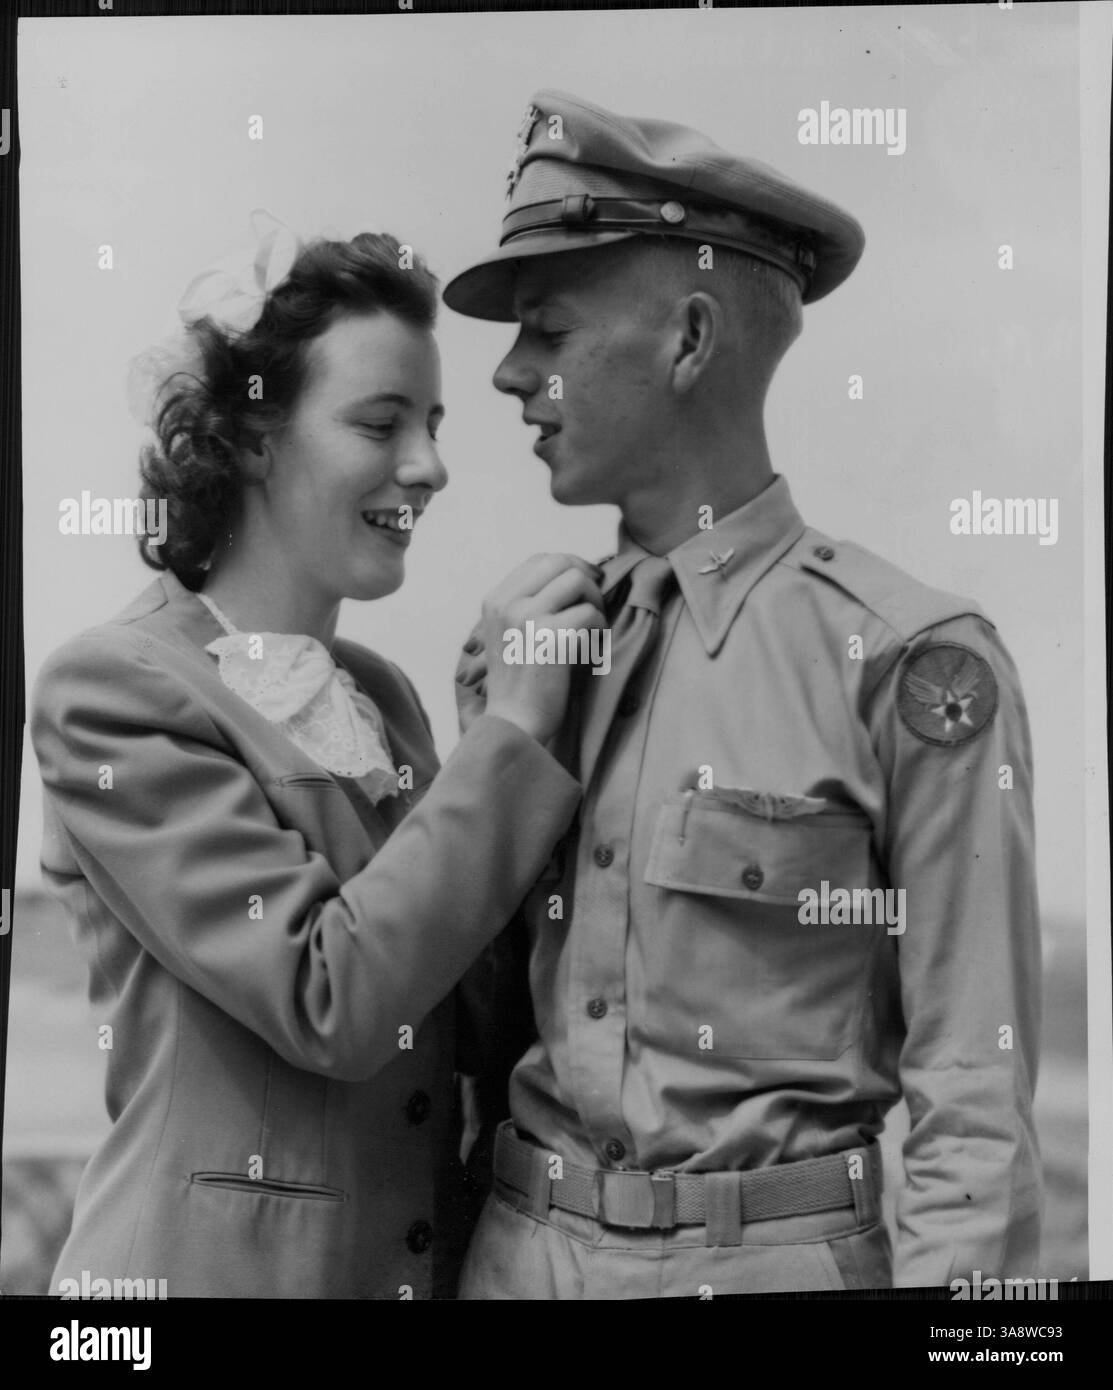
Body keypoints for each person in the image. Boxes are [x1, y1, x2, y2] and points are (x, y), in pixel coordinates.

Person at [446, 91, 1042, 1298]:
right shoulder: (524, 651)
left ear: (690, 340)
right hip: (511, 1260)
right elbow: (468, 1037)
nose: (510, 374)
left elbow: (972, 1099)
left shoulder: (912, 661)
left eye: (549, 332)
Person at [30, 215, 605, 1298]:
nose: (429, 466)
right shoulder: (110, 690)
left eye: (431, 423)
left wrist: (507, 741)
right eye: (381, 423)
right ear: (251, 438)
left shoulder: (377, 696)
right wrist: (513, 740)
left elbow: (469, 1022)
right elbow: (327, 999)